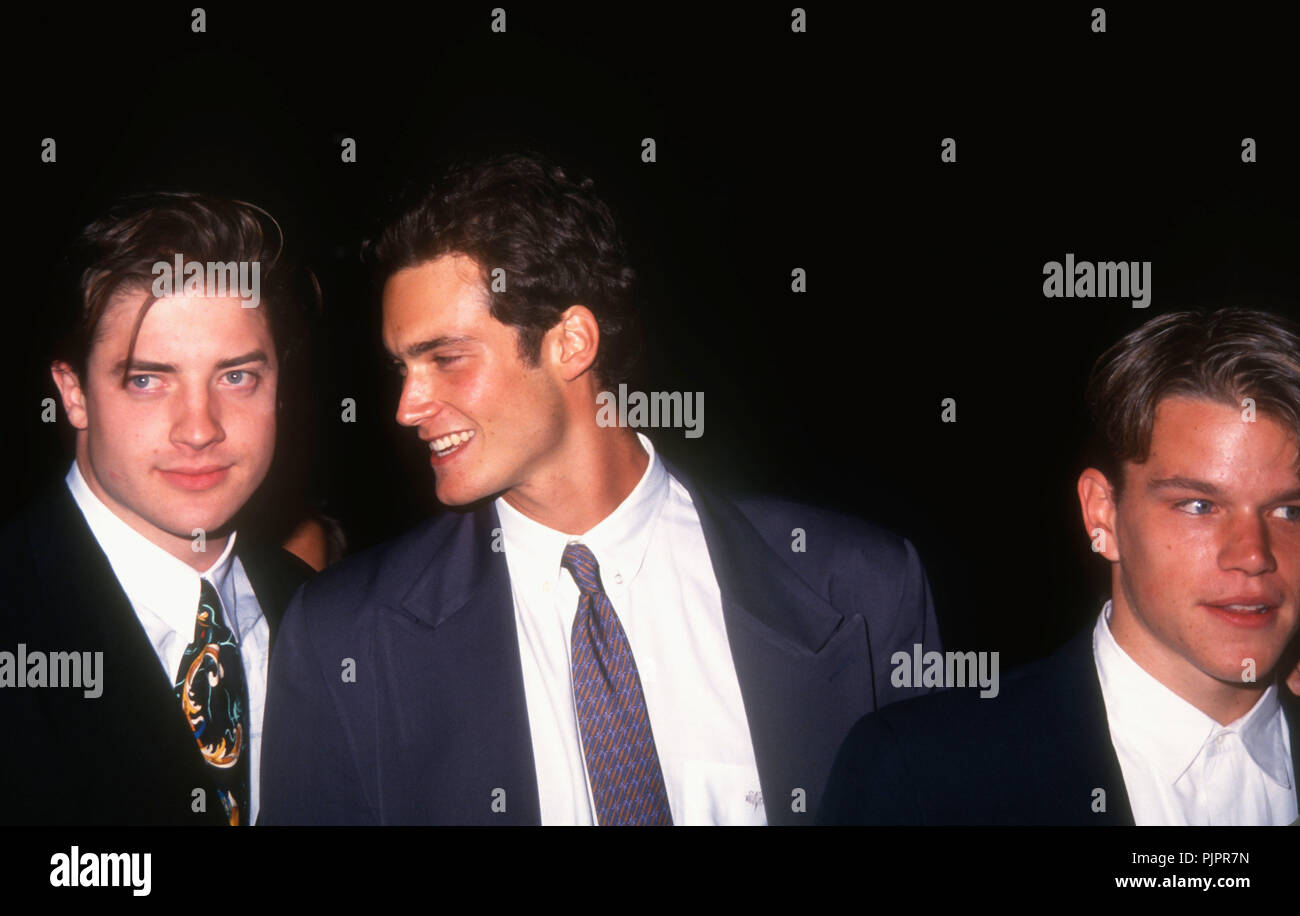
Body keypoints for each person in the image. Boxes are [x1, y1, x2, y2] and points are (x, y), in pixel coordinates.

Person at [260, 152, 941, 825]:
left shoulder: (862, 588)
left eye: (446, 359)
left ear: (571, 343)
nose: (408, 406)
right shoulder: (342, 639)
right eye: (403, 366)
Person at [819, 309, 1300, 825]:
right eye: (1199, 506)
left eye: (1290, 510)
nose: (1253, 555)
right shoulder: (923, 777)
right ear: (1103, 514)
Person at [0, 192, 316, 825]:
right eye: (148, 379)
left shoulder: (324, 614)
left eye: (237, 376)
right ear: (73, 392)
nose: (198, 429)